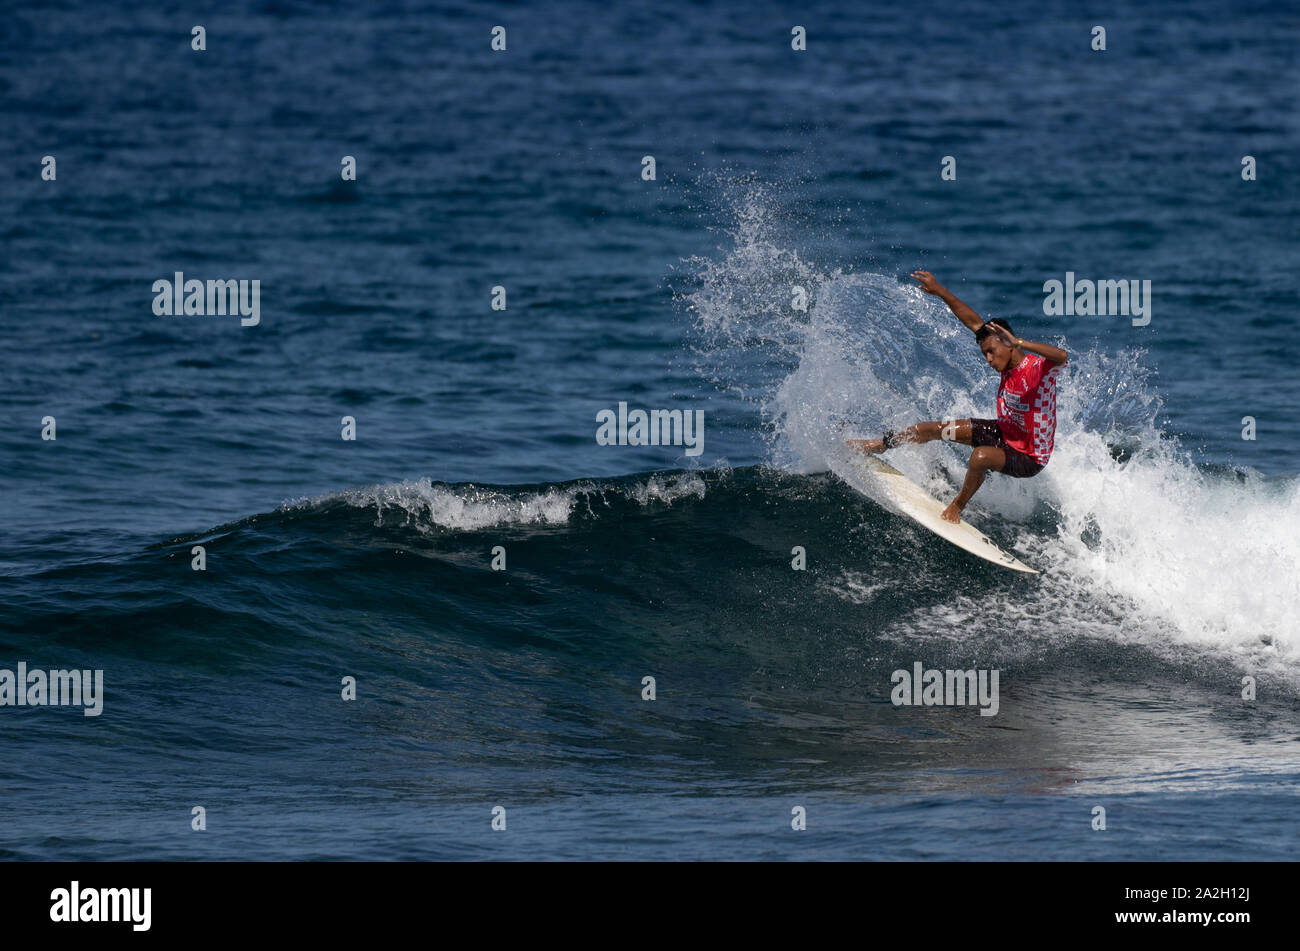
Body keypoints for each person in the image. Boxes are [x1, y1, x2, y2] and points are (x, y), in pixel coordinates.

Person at [847, 270, 1068, 524]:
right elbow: (975, 323)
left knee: (980, 457)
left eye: (991, 352)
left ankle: (956, 508)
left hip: (1029, 456)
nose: (988, 360)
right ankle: (881, 444)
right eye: (985, 353)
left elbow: (1061, 356)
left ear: (1008, 344)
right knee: (933, 429)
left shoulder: (1038, 369)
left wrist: (1019, 342)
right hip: (1004, 433)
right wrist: (940, 290)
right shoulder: (1004, 360)